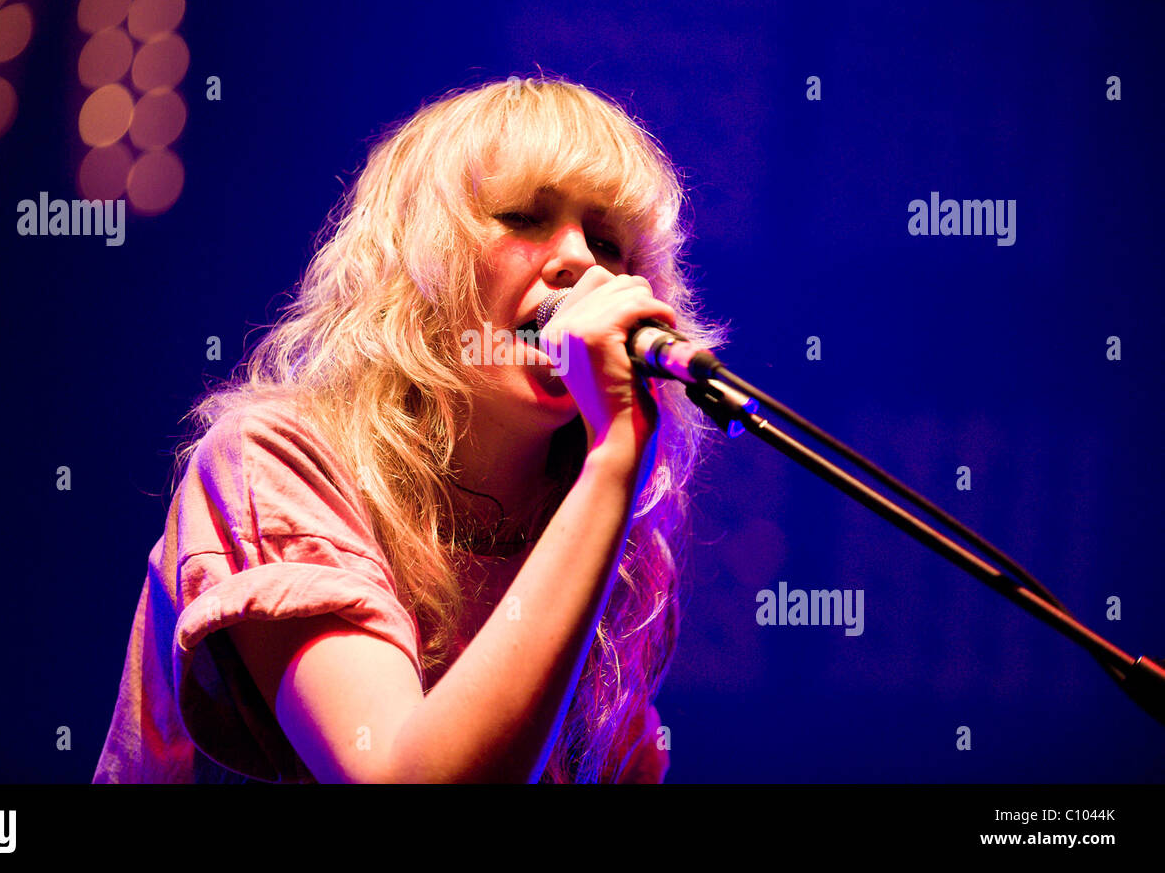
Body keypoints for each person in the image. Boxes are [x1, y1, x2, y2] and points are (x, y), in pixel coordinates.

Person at [92, 74, 724, 783]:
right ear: (422, 266)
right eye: (524, 218)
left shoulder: (619, 540)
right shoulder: (273, 458)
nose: (580, 261)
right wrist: (614, 459)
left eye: (608, 242)